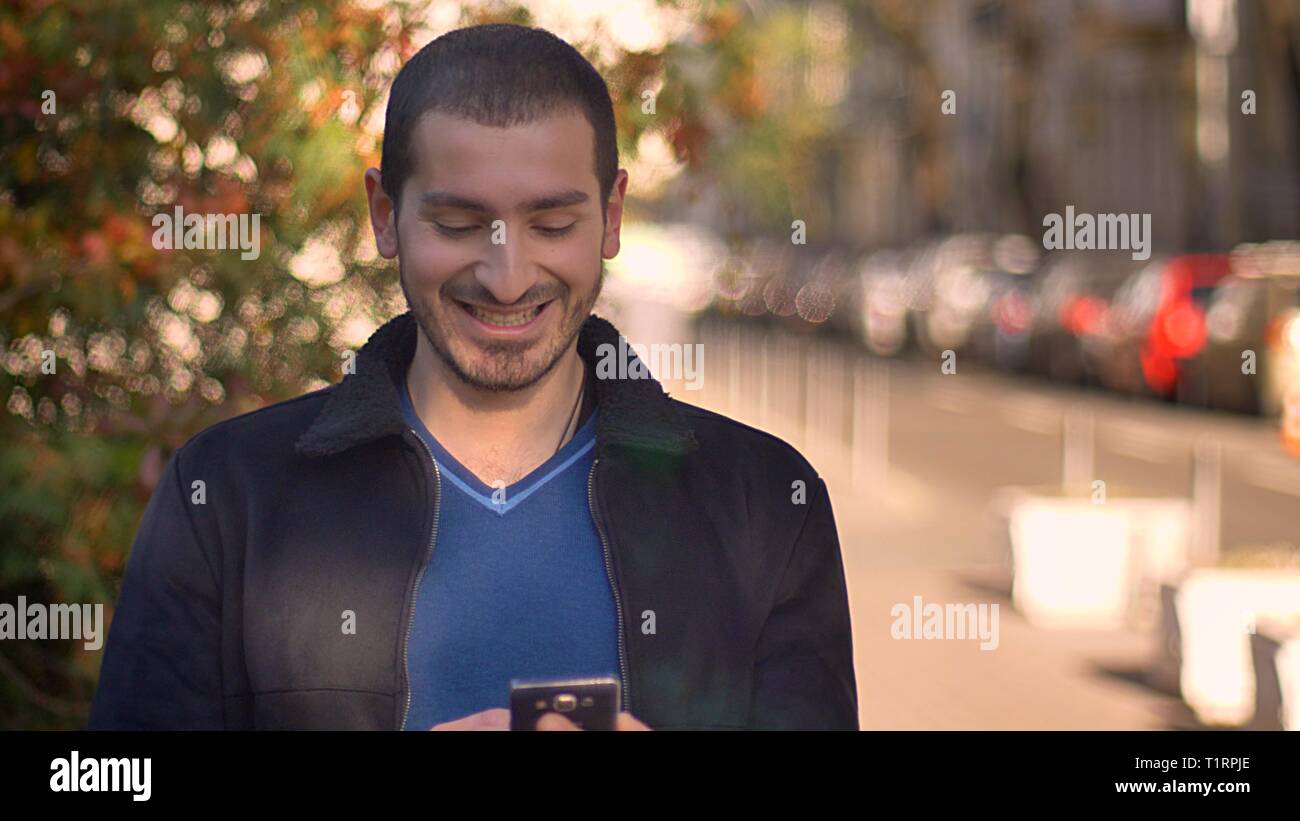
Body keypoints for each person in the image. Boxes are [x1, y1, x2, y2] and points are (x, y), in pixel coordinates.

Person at [89, 22, 857, 731]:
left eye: (553, 225)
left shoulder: (766, 505)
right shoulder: (225, 495)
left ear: (612, 216)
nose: (507, 275)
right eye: (457, 225)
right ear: (384, 215)